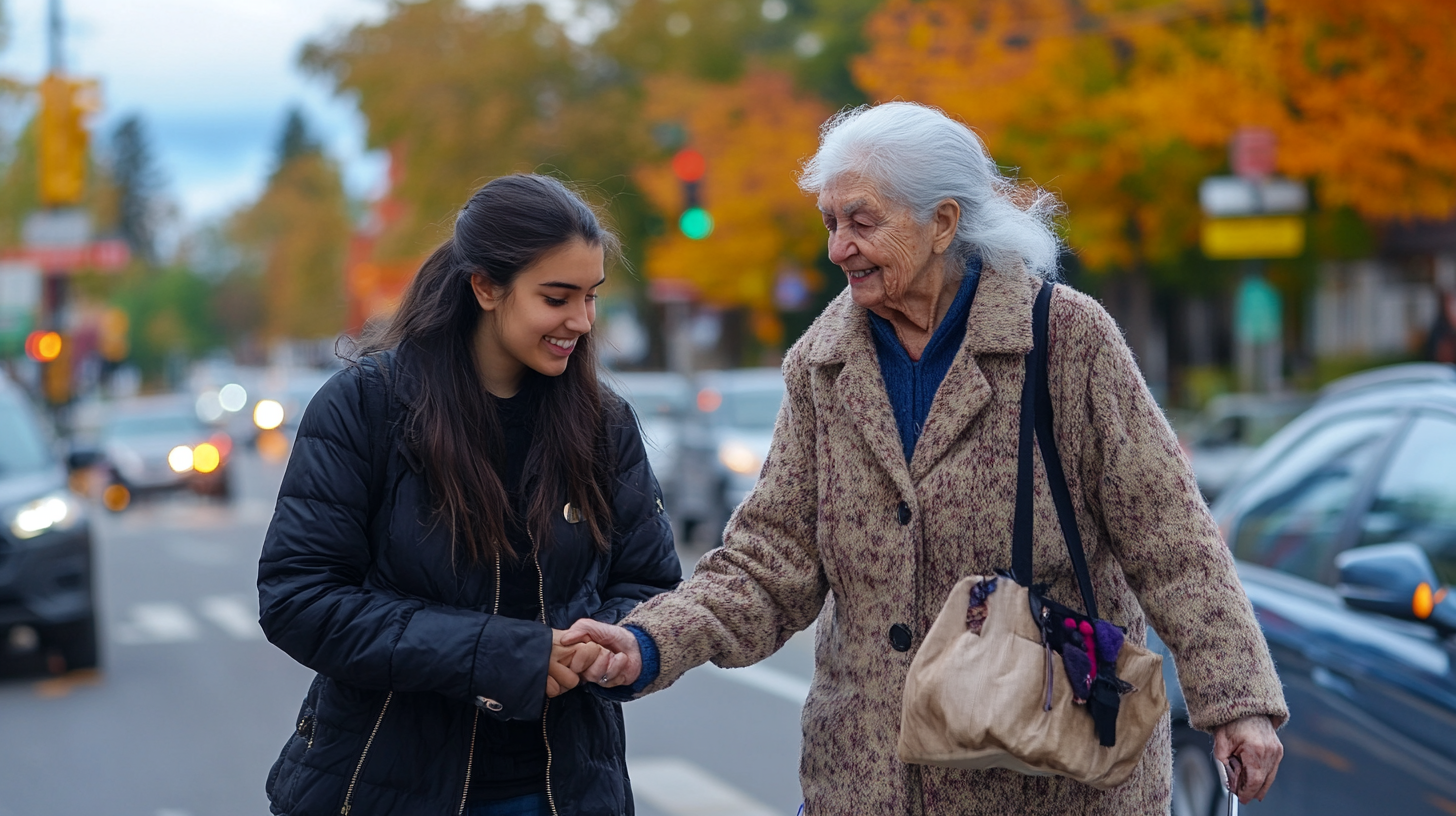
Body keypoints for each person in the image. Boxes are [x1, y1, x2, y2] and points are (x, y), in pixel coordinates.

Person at [567, 103, 1288, 814]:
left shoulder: (1064, 340)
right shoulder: (821, 368)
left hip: (1050, 781)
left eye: (861, 220)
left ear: (943, 222)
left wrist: (1237, 701)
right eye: (830, 223)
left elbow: (1170, 537)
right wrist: (649, 640)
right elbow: (768, 562)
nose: (837, 248)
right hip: (868, 784)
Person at [257, 174, 681, 816]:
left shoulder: (602, 423)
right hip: (380, 785)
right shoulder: (365, 407)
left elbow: (648, 581)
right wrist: (498, 656)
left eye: (591, 297)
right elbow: (299, 598)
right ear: (485, 286)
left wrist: (610, 643)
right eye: (557, 297)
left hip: (564, 792)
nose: (581, 322)